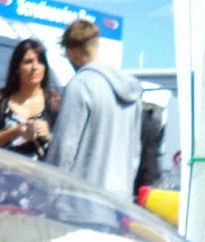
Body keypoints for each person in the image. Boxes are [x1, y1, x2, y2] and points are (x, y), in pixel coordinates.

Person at [45, 20, 142, 199]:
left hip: (81, 200)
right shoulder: (132, 89)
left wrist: (50, 191)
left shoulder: (80, 84)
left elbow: (65, 148)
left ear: (72, 52)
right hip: (119, 199)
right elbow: (135, 152)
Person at [0, 39, 61, 160]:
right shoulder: (0, 98)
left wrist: (48, 136)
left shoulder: (55, 101)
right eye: (28, 62)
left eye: (40, 62)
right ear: (17, 68)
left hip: (39, 175)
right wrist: (15, 131)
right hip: (0, 173)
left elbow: (67, 145)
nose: (35, 67)